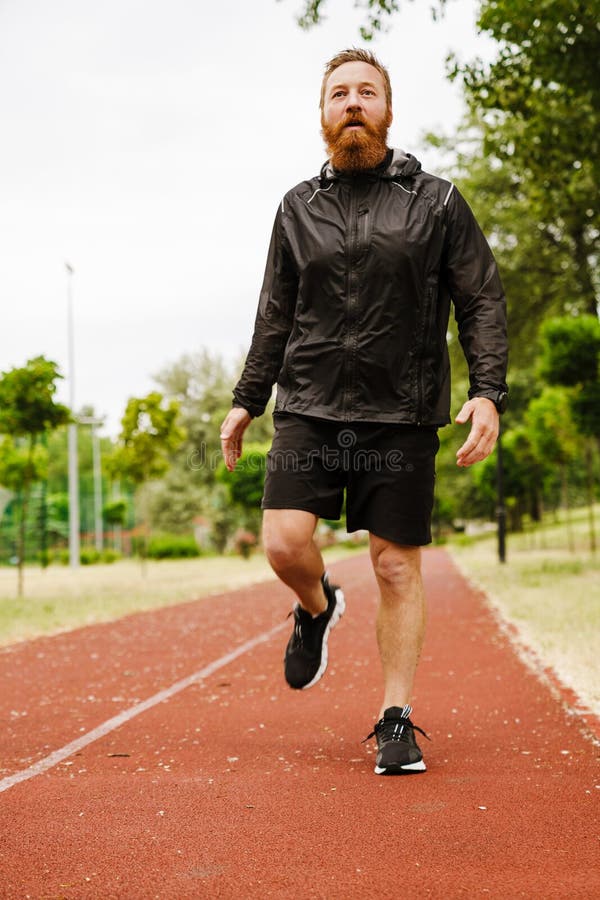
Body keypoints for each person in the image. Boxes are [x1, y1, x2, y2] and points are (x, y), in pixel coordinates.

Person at [220, 48, 508, 776]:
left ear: (387, 109)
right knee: (284, 544)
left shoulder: (438, 203)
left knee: (395, 568)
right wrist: (246, 400)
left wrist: (487, 389)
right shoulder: (296, 208)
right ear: (322, 114)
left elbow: (479, 298)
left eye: (367, 92)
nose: (353, 102)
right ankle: (317, 608)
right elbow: (274, 314)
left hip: (402, 410)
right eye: (339, 93)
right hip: (310, 403)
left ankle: (395, 718)